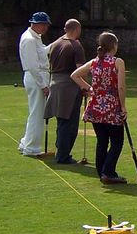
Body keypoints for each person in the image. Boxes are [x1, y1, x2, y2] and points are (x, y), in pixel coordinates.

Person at [71, 32, 128, 185]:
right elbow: (121, 87)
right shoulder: (117, 62)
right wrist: (123, 107)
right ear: (114, 45)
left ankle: (101, 171)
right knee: (117, 142)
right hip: (112, 107)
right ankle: (108, 172)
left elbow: (75, 75)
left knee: (102, 140)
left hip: (96, 106)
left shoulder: (94, 62)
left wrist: (89, 88)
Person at [44, 18, 86, 164]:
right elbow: (80, 70)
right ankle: (63, 155)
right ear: (77, 29)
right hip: (69, 87)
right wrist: (85, 86)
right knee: (70, 123)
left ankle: (60, 151)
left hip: (55, 84)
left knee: (61, 121)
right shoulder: (76, 45)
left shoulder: (55, 44)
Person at [18, 12, 52, 157]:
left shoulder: (35, 38)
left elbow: (42, 52)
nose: (45, 28)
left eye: (46, 25)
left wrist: (57, 42)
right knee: (37, 115)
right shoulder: (29, 39)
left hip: (38, 76)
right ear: (34, 24)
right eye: (43, 24)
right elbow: (33, 66)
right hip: (36, 77)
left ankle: (26, 142)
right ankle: (31, 148)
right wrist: (43, 85)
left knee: (35, 112)